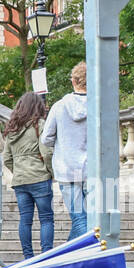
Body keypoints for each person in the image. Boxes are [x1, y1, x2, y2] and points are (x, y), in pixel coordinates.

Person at [3, 92, 56, 260]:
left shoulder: (12, 128)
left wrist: (18, 171)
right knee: (46, 218)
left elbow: (6, 158)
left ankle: (28, 257)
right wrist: (50, 172)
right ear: (37, 106)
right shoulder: (39, 125)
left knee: (25, 220)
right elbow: (46, 153)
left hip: (20, 181)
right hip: (39, 177)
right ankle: (46, 256)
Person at [42, 61, 89, 240]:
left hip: (67, 169)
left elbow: (46, 138)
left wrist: (62, 143)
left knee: (79, 219)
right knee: (89, 219)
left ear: (74, 81)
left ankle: (68, 257)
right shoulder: (99, 105)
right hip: (93, 169)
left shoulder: (59, 106)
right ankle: (70, 257)